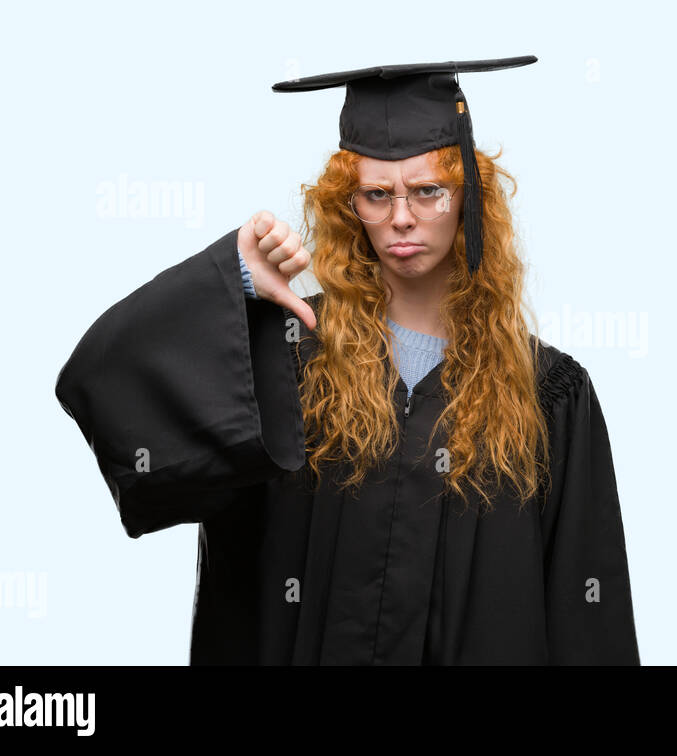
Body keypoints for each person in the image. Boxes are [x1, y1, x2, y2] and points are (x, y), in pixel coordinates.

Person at [53, 56, 640, 665]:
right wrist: (232, 284)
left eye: (427, 191)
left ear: (470, 197)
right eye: (376, 194)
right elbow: (104, 383)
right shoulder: (286, 361)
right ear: (346, 205)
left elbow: (588, 622)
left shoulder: (545, 393)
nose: (402, 217)